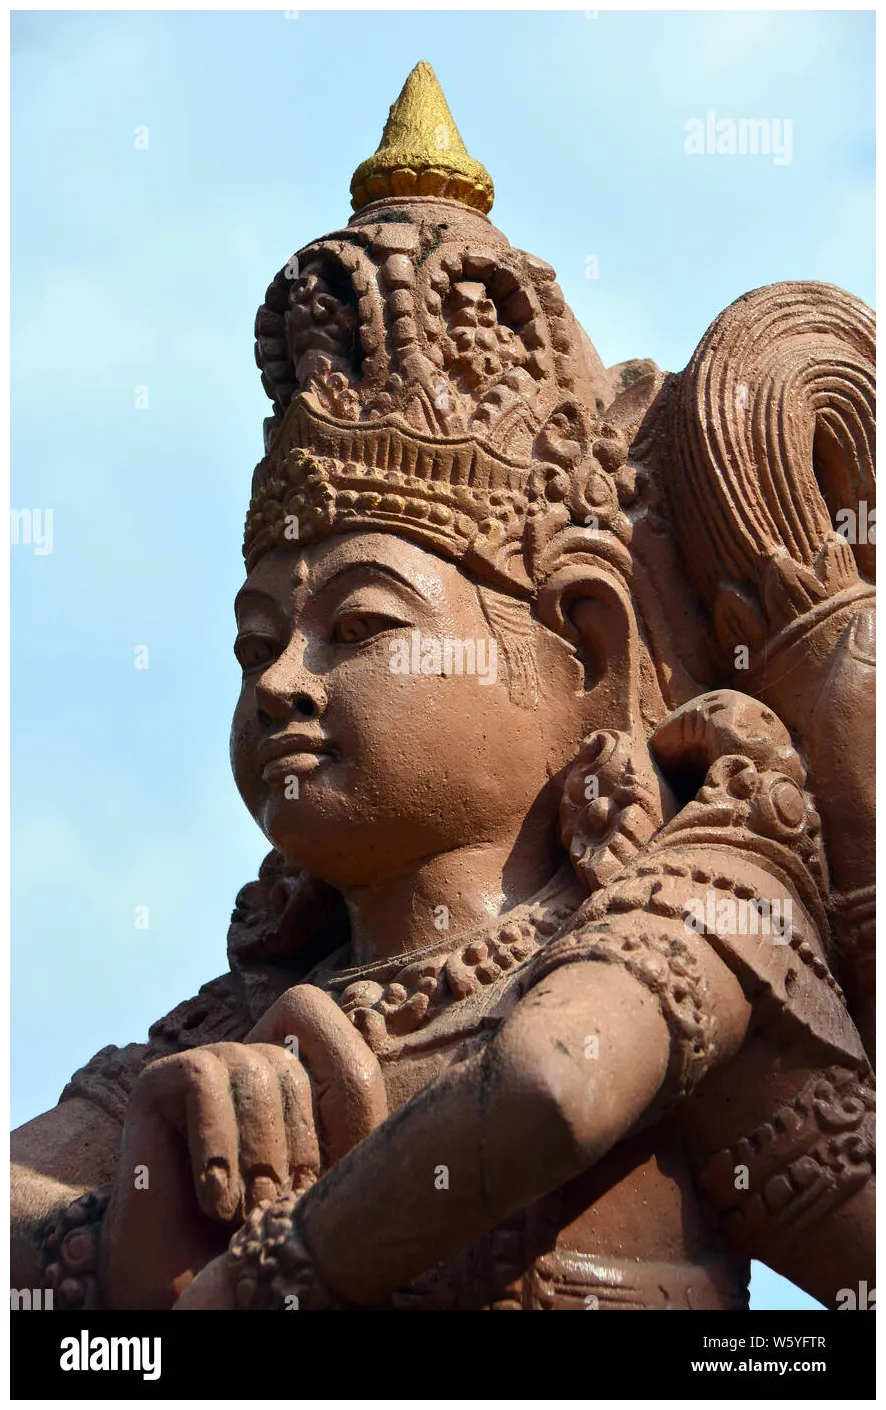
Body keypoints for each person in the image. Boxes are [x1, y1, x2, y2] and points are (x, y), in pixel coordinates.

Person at [12, 62, 874, 1313]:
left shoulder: (700, 893)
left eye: (357, 624)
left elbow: (552, 1084)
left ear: (583, 643)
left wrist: (266, 1274)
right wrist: (136, 1185)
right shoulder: (241, 1020)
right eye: (256, 645)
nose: (283, 685)